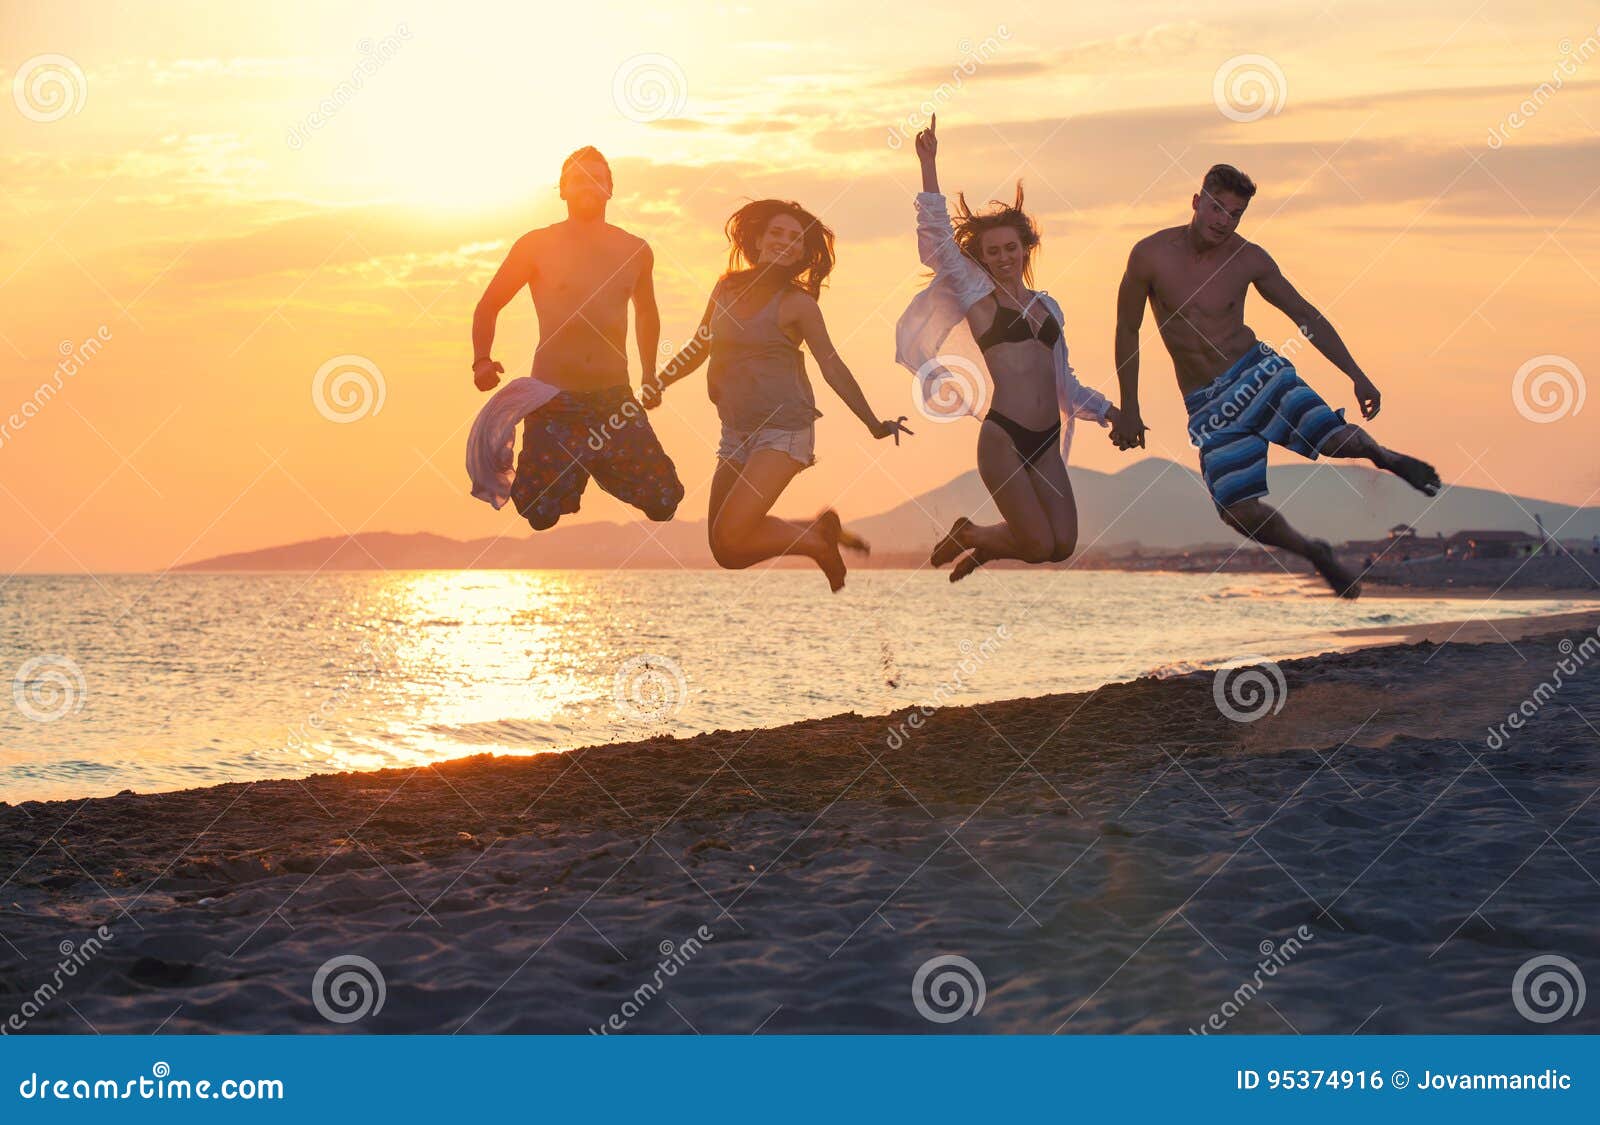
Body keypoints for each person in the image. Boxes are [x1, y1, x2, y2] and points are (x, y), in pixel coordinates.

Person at [1110, 163, 1441, 598]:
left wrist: (1357, 375)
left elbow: (1305, 315)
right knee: (1236, 511)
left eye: (1235, 214)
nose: (1223, 221)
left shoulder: (1249, 259)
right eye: (1216, 208)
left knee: (1334, 441)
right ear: (1196, 202)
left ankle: (1385, 457)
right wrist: (1130, 408)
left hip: (1257, 373)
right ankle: (1313, 552)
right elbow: (1127, 329)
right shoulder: (1150, 255)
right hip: (1207, 404)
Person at [898, 115, 1137, 582]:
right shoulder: (979, 299)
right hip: (1004, 438)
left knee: (1061, 546)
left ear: (1025, 248)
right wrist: (928, 165)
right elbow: (938, 241)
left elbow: (1065, 384)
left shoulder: (1049, 308)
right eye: (993, 252)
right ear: (982, 258)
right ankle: (973, 535)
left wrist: (1112, 412)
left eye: (1011, 248)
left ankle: (980, 537)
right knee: (1036, 544)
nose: (1003, 257)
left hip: (1045, 439)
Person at [644, 199, 910, 592]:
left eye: (795, 238)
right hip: (735, 431)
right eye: (776, 233)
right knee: (726, 551)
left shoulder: (797, 305)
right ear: (758, 239)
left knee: (733, 534)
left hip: (783, 431)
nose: (785, 242)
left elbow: (832, 366)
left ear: (802, 253)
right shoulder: (726, 287)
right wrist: (660, 381)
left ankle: (816, 543)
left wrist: (873, 423)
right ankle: (818, 532)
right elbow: (700, 345)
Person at [465, 146, 684, 529]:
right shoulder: (536, 245)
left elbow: (647, 312)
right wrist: (481, 360)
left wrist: (649, 374)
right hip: (555, 399)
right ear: (562, 188)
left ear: (610, 189)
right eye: (579, 178)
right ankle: (576, 465)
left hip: (614, 400)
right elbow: (488, 305)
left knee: (664, 502)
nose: (588, 185)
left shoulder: (635, 250)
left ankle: (595, 461)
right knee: (539, 514)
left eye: (597, 178)